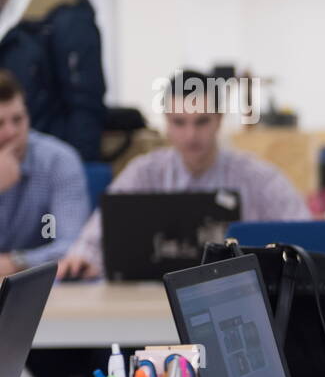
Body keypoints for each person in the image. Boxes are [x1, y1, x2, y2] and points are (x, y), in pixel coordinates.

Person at [57, 69, 311, 280]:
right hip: (150, 300)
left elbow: (305, 237)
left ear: (219, 120)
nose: (190, 135)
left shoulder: (257, 177)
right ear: (166, 122)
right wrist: (81, 259)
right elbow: (96, 235)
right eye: (179, 122)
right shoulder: (144, 173)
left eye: (202, 121)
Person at [0, 0, 108, 162]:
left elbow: (85, 103)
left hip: (47, 162)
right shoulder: (7, 16)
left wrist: (78, 167)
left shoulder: (65, 14)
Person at [0, 68, 91, 276]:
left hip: (40, 287)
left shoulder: (59, 161)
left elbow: (73, 245)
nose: (11, 132)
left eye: (18, 120)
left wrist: (16, 262)